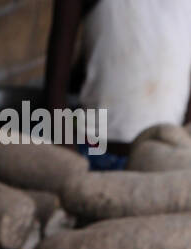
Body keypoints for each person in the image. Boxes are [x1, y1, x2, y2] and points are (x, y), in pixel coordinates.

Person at [46, 0, 191, 145]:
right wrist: (66, 144)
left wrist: (182, 143)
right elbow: (55, 90)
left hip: (165, 147)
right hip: (95, 147)